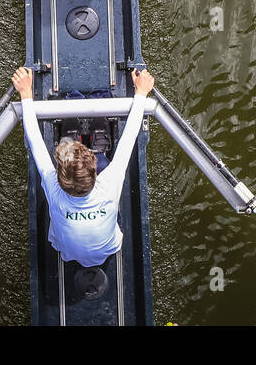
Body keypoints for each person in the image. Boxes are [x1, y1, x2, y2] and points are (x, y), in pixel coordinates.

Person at [14, 64, 155, 268]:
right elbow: (130, 136)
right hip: (108, 248)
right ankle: (98, 141)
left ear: (59, 176)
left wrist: (26, 95)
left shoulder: (52, 184)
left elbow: (35, 141)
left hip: (67, 253)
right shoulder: (109, 182)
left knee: (63, 152)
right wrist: (141, 93)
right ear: (95, 169)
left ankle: (69, 132)